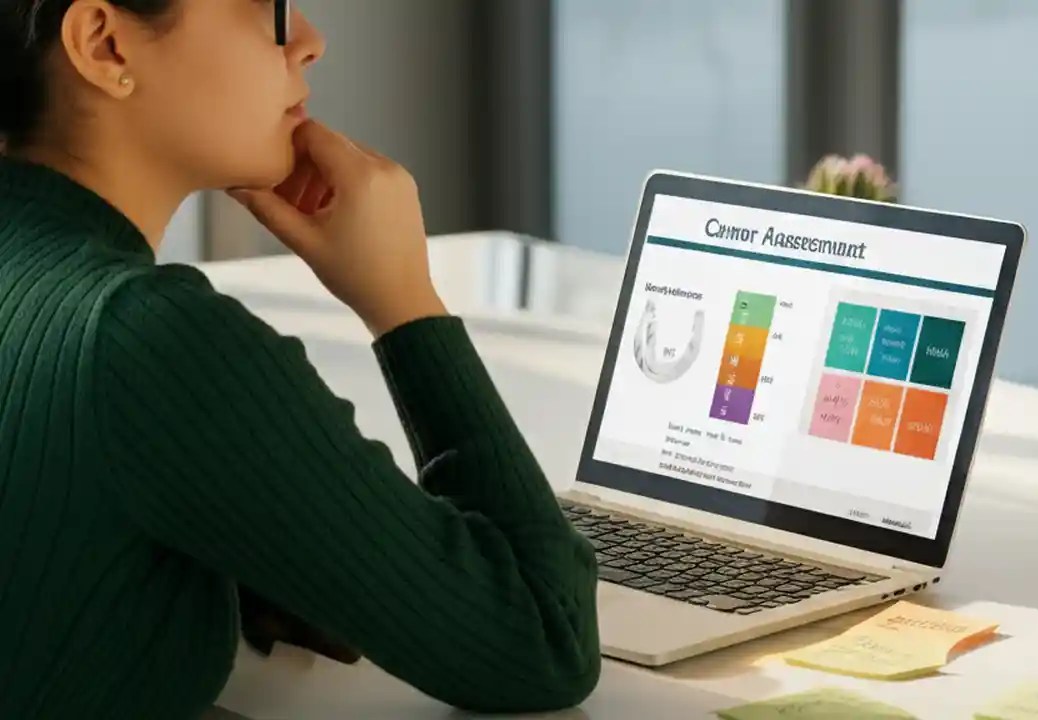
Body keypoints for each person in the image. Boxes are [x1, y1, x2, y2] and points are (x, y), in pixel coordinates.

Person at [0, 0, 601, 718]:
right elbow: (543, 643)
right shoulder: (145, 335)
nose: (310, 42)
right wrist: (403, 301)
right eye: (268, 9)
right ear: (106, 46)